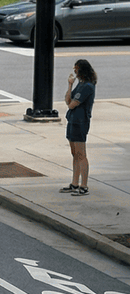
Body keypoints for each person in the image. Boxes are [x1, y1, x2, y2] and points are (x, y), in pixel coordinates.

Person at [62, 59, 97, 196]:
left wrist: (71, 100)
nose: (74, 71)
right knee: (74, 153)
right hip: (72, 120)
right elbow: (67, 100)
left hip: (81, 122)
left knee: (81, 154)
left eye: (76, 68)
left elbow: (72, 104)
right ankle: (74, 183)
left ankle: (84, 185)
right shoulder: (80, 84)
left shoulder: (88, 86)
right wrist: (70, 85)